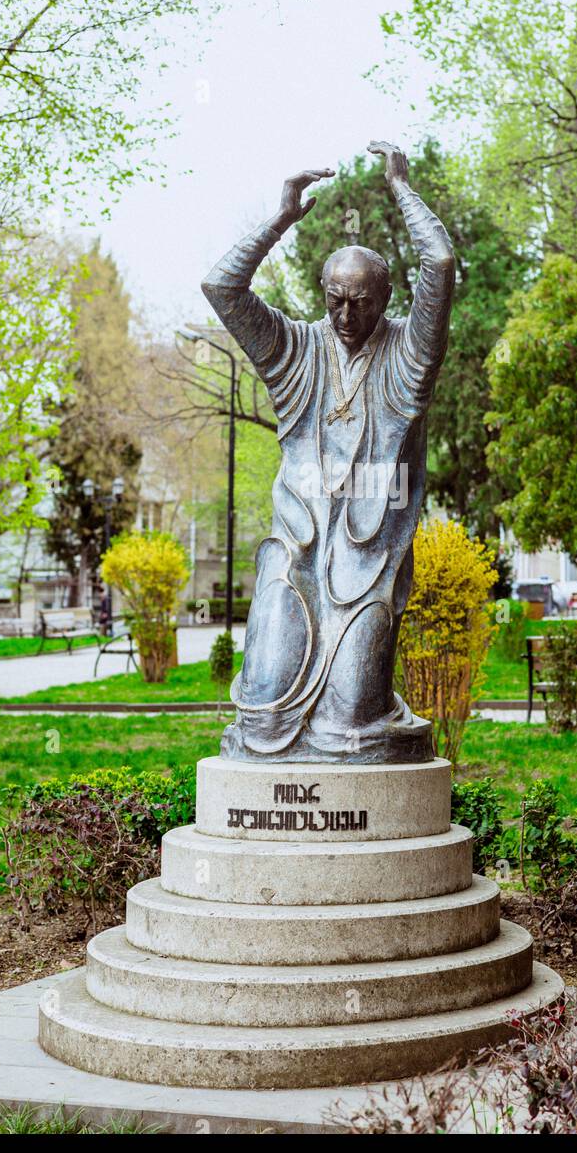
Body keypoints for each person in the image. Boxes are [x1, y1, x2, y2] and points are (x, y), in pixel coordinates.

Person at [201, 141, 455, 763]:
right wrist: (280, 219)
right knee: (260, 715)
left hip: (368, 561)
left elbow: (441, 264)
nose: (345, 314)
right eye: (334, 298)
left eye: (361, 301)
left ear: (386, 299)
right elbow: (221, 287)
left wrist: (401, 187)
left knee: (348, 729)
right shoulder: (293, 349)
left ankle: (375, 709)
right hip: (297, 552)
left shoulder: (407, 358)